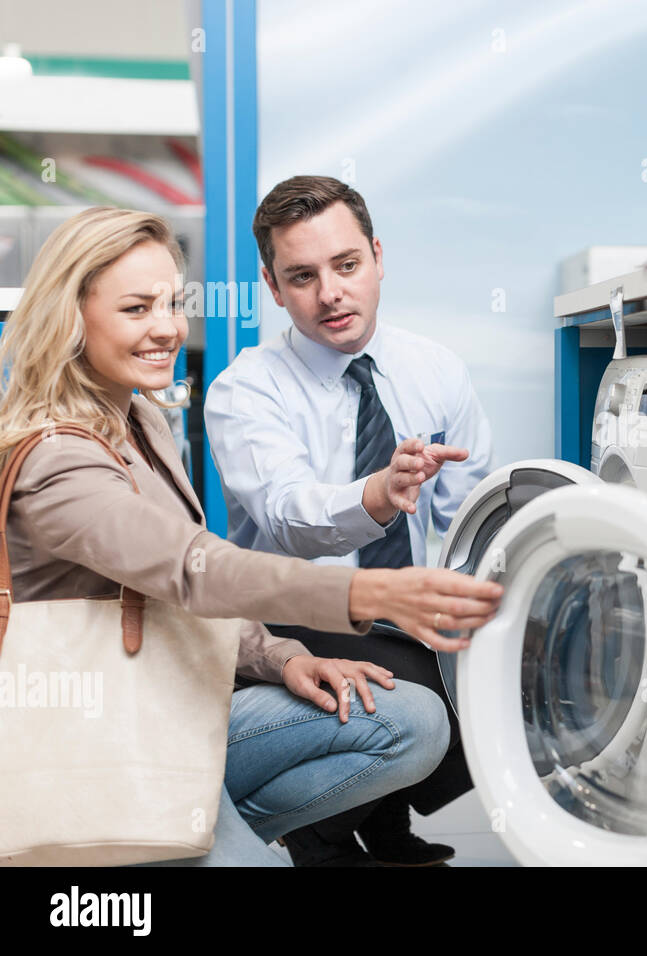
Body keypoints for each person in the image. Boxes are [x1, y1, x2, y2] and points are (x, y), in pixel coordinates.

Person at [0, 206, 502, 866]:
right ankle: (161, 838)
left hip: (176, 702)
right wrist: (372, 588)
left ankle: (188, 835)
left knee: (413, 721)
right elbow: (195, 569)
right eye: (135, 309)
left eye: (172, 303)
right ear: (71, 318)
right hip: (100, 742)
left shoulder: (144, 423)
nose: (166, 328)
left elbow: (178, 601)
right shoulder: (57, 459)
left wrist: (284, 658)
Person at [205, 175, 492, 866]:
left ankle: (381, 818)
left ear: (378, 257)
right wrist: (380, 493)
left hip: (402, 609)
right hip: (291, 612)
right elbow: (288, 516)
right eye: (302, 276)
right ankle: (324, 829)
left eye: (346, 265)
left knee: (509, 672)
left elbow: (468, 521)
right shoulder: (245, 389)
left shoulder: (437, 369)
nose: (330, 292)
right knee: (412, 678)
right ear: (274, 288)